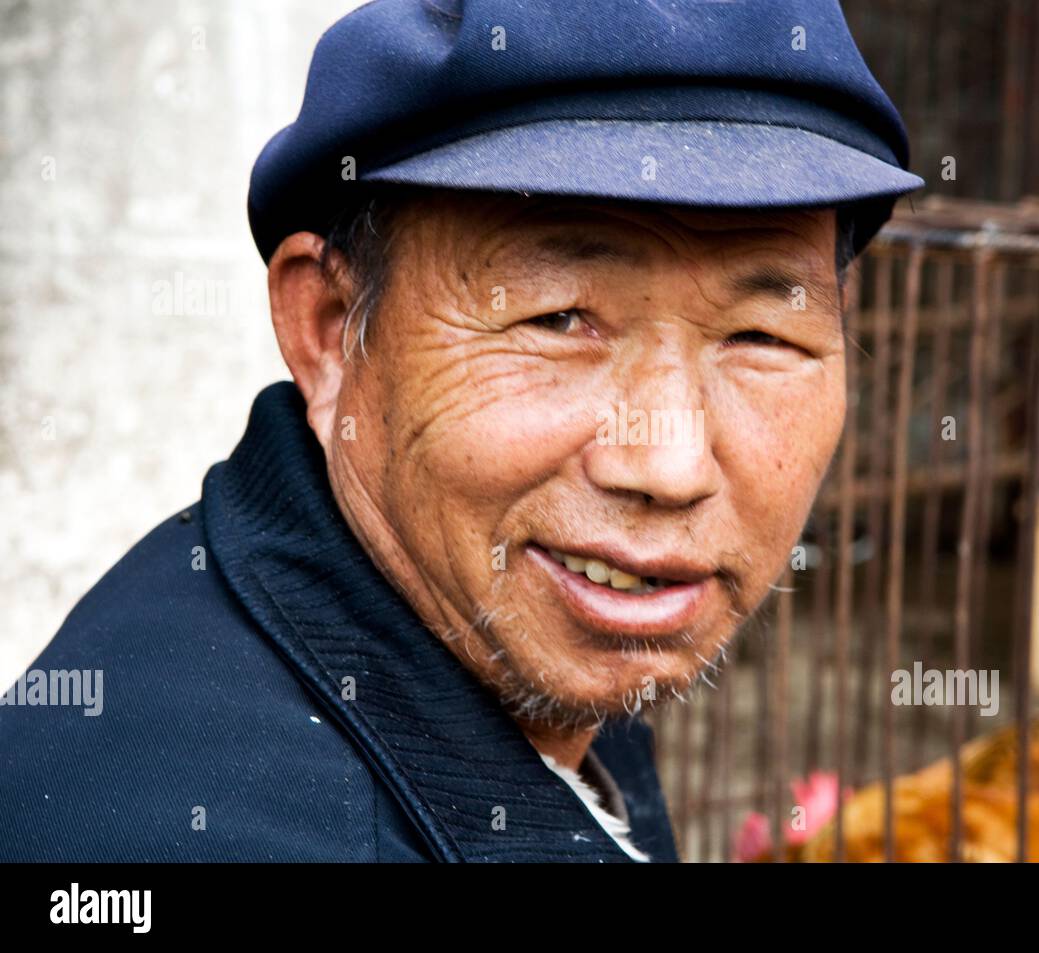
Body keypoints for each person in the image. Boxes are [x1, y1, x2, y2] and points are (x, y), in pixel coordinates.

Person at [0, 0, 921, 862]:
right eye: (560, 319)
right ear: (329, 331)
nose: (669, 464)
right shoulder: (181, 834)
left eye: (761, 334)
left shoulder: (524, 643)